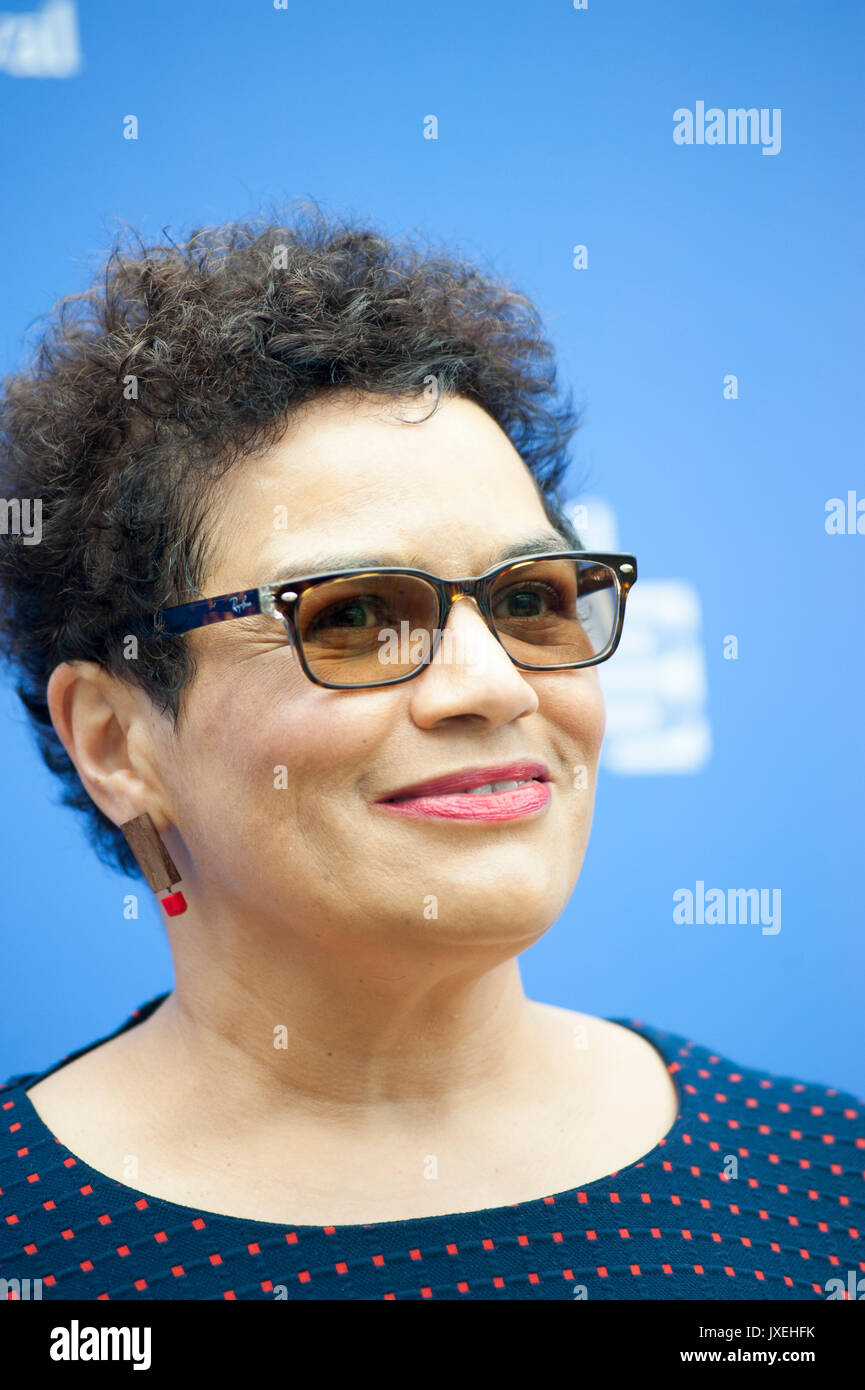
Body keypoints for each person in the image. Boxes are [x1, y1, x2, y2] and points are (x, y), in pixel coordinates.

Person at [0, 204, 860, 1300]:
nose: (493, 684)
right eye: (353, 616)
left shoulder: (824, 1186)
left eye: (531, 601)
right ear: (117, 742)